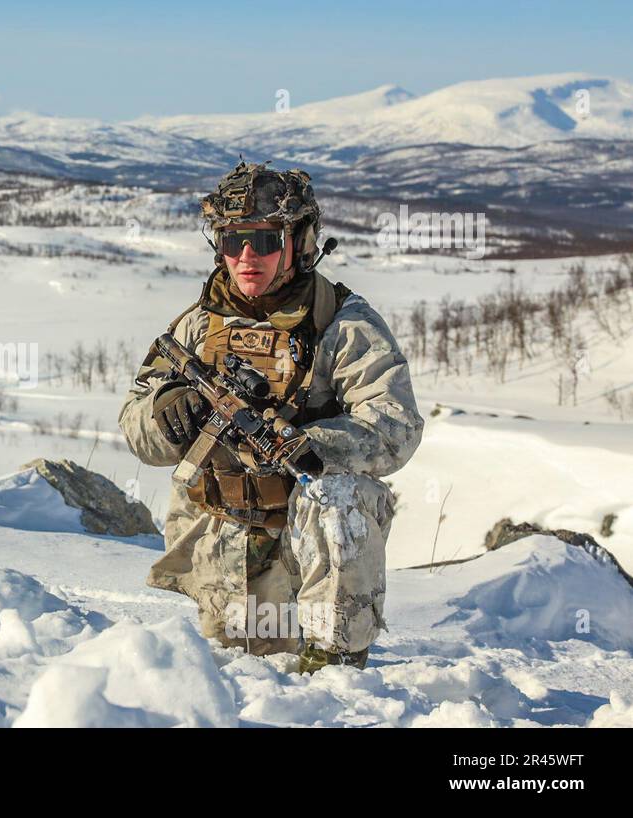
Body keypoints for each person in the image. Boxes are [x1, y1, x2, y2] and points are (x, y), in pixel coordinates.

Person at [118, 161, 424, 672]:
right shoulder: (196, 327)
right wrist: (163, 415)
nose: (244, 257)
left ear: (300, 241)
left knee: (338, 492)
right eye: (232, 240)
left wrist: (316, 445)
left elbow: (396, 425)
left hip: (306, 548)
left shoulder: (342, 324)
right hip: (222, 538)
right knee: (237, 683)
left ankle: (333, 659)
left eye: (262, 241)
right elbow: (136, 429)